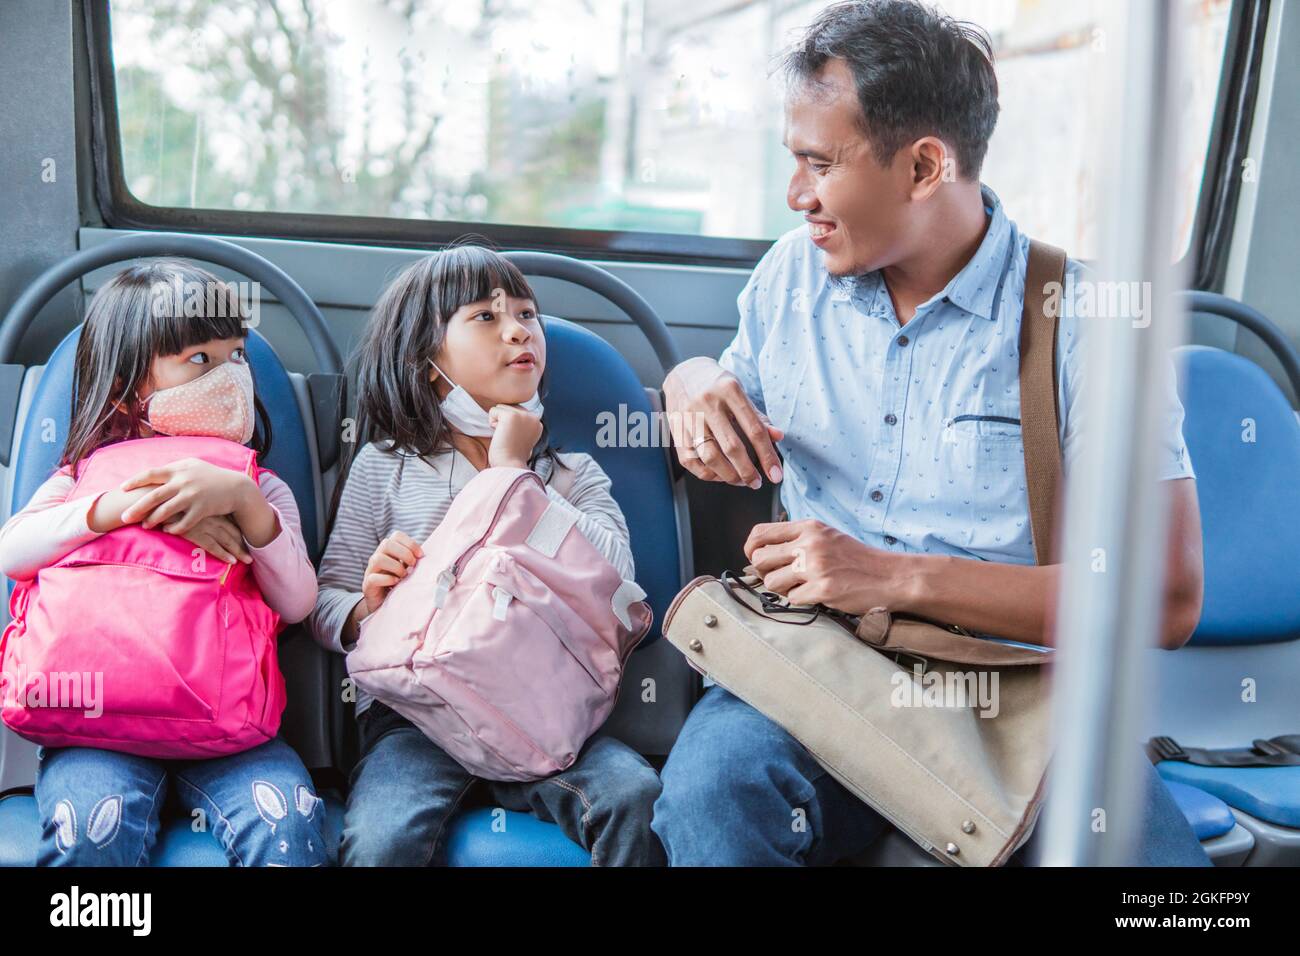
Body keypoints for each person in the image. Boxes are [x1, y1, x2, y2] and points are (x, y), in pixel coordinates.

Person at [651, 0, 1209, 866]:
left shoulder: (1091, 324)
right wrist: (689, 383)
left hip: (1012, 692)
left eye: (818, 164)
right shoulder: (789, 278)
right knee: (712, 800)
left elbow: (1167, 599)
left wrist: (892, 577)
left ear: (922, 167)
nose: (796, 195)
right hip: (812, 663)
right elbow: (721, 389)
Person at [311, 245, 664, 867]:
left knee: (635, 797)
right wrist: (369, 607)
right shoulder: (385, 467)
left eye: (528, 315)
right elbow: (322, 600)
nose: (519, 330)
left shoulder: (571, 475)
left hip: (545, 707)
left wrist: (512, 474)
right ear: (428, 363)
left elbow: (617, 580)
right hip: (414, 717)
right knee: (381, 839)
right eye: (485, 317)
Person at [1, 260, 327, 866]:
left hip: (229, 731)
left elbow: (298, 602)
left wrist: (244, 503)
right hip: (95, 726)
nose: (230, 377)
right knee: (87, 836)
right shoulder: (81, 479)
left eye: (236, 356)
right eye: (201, 360)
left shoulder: (261, 486)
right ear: (126, 386)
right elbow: (13, 551)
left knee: (290, 828)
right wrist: (120, 508)